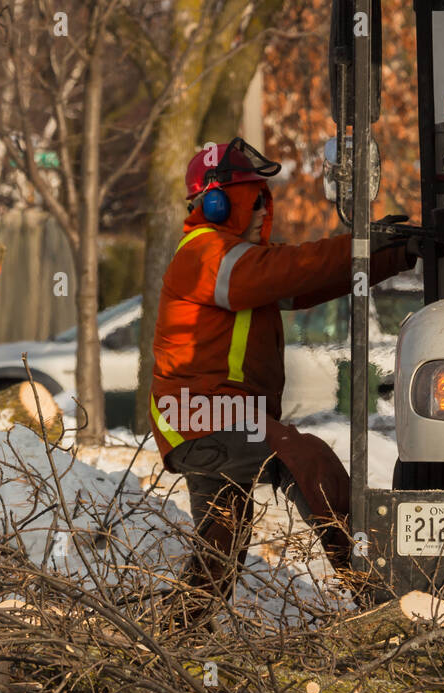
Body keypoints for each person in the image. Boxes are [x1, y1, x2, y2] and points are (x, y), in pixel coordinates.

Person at [150, 138, 417, 622]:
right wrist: (362, 245)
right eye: (252, 197)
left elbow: (302, 284)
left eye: (264, 197)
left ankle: (167, 638)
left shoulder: (243, 261)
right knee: (304, 457)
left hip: (207, 415)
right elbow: (291, 270)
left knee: (221, 543)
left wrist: (390, 256)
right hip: (202, 412)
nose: (262, 207)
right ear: (215, 202)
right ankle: (375, 595)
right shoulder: (206, 253)